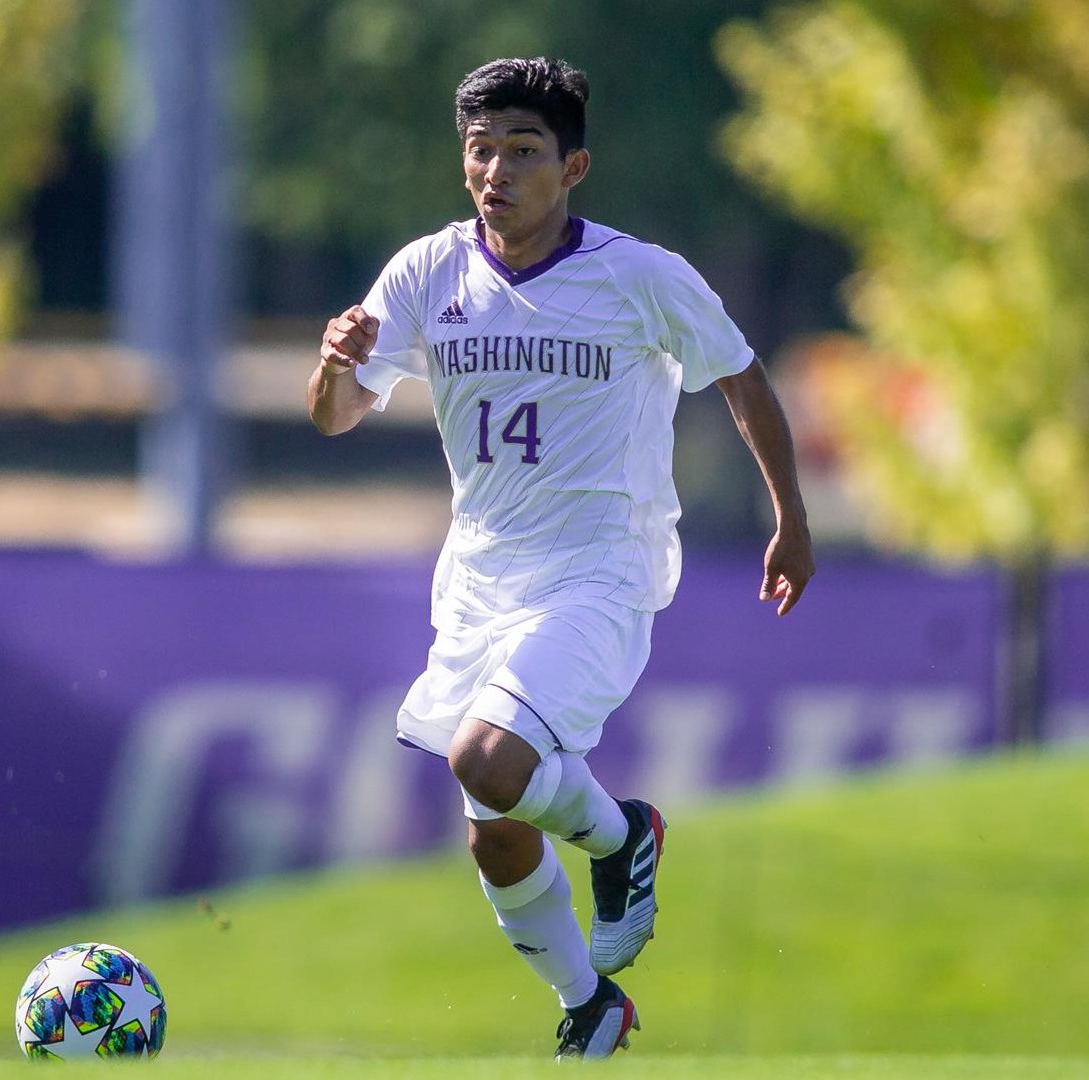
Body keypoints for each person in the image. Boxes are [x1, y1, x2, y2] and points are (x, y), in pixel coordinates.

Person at [309, 57, 812, 1061]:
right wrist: (331, 363)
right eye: (480, 148)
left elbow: (741, 379)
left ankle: (622, 838)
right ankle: (588, 1004)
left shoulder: (640, 276)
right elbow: (335, 416)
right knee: (492, 828)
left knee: (485, 761)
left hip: (599, 570)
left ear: (572, 166)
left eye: (523, 150)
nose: (496, 168)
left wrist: (789, 516)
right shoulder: (424, 273)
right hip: (479, 580)